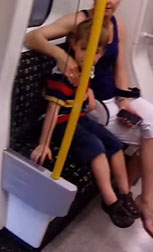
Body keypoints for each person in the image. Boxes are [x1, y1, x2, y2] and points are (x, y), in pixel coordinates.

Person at [25, 0, 153, 239]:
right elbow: (33, 37)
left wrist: (125, 100)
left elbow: (120, 68)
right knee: (148, 139)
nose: (108, 1)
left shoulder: (118, 26)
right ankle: (118, 196)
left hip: (109, 97)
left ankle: (142, 199)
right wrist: (62, 56)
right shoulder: (81, 21)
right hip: (92, 105)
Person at [31, 19, 137, 228]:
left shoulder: (87, 69)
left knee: (113, 143)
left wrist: (89, 92)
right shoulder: (64, 74)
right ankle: (111, 201)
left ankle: (125, 193)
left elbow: (84, 84)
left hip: (78, 117)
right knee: (96, 146)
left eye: (95, 52)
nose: (89, 55)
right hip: (61, 123)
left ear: (101, 54)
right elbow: (53, 110)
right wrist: (44, 143)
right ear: (74, 45)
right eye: (83, 49)